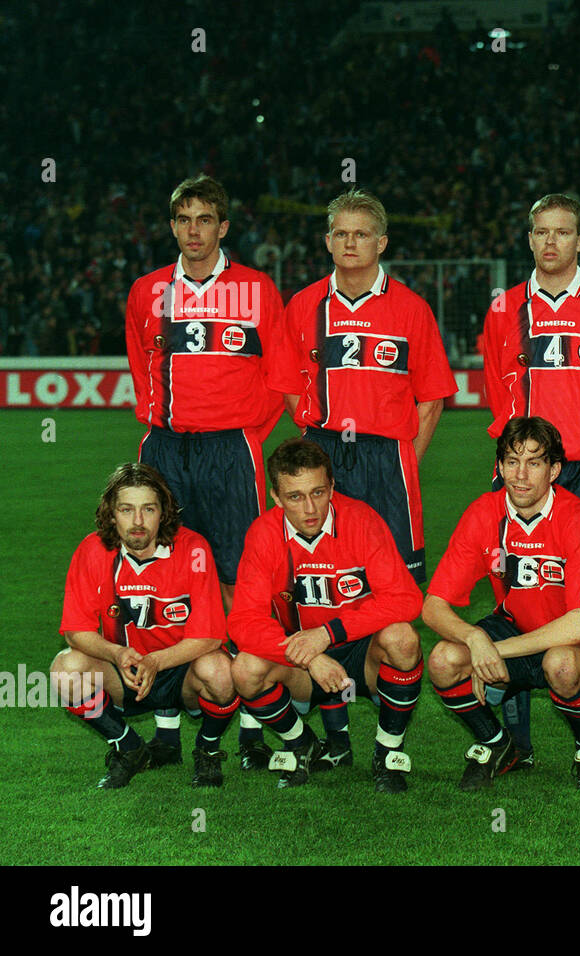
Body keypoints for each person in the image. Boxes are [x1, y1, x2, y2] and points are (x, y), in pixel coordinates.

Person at [125, 173, 286, 772]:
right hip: (165, 449)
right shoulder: (147, 291)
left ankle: (247, 722)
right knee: (161, 575)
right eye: (183, 219)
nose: (194, 231)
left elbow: (280, 377)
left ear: (224, 227)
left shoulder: (256, 289)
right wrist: (162, 424)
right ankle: (169, 729)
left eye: (205, 220)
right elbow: (141, 367)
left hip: (230, 450)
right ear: (173, 226)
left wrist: (245, 433)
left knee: (235, 577)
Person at [479, 192, 580, 759]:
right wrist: (517, 456)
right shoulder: (504, 309)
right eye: (540, 232)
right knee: (515, 594)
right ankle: (514, 738)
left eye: (562, 232)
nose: (550, 242)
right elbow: (495, 390)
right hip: (523, 473)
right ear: (530, 239)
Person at [270, 188, 458, 586]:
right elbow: (288, 385)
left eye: (361, 234)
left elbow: (432, 399)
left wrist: (406, 462)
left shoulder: (411, 308)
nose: (350, 242)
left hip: (388, 454)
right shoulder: (304, 305)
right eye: (340, 234)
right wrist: (313, 434)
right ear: (327, 242)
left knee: (395, 584)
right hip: (323, 450)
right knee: (326, 574)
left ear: (381, 242)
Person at [226, 438, 425, 793]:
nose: (310, 508)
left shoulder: (362, 519)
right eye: (295, 497)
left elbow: (407, 599)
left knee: (403, 638)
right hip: (303, 659)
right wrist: (314, 655)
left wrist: (328, 633)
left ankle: (387, 755)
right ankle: (304, 746)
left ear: (332, 486)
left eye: (318, 492)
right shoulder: (264, 534)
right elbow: (243, 622)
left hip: (362, 653)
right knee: (245, 668)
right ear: (275, 497)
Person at [423, 417, 580, 792]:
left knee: (560, 665)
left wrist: (493, 650)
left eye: (534, 463)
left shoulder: (576, 516)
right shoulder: (483, 513)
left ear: (554, 470)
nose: (520, 475)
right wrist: (474, 638)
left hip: (567, 638)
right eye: (511, 461)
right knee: (443, 661)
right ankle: (497, 744)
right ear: (500, 466)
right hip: (514, 623)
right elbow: (432, 606)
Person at [51, 463, 239, 789]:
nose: (138, 522)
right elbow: (75, 630)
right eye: (127, 510)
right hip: (126, 671)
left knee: (221, 674)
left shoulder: (193, 549)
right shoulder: (93, 550)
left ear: (163, 512)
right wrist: (118, 653)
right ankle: (129, 747)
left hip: (182, 672)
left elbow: (209, 635)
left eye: (148, 509)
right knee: (65, 669)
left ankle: (207, 750)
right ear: (111, 515)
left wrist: (156, 661)